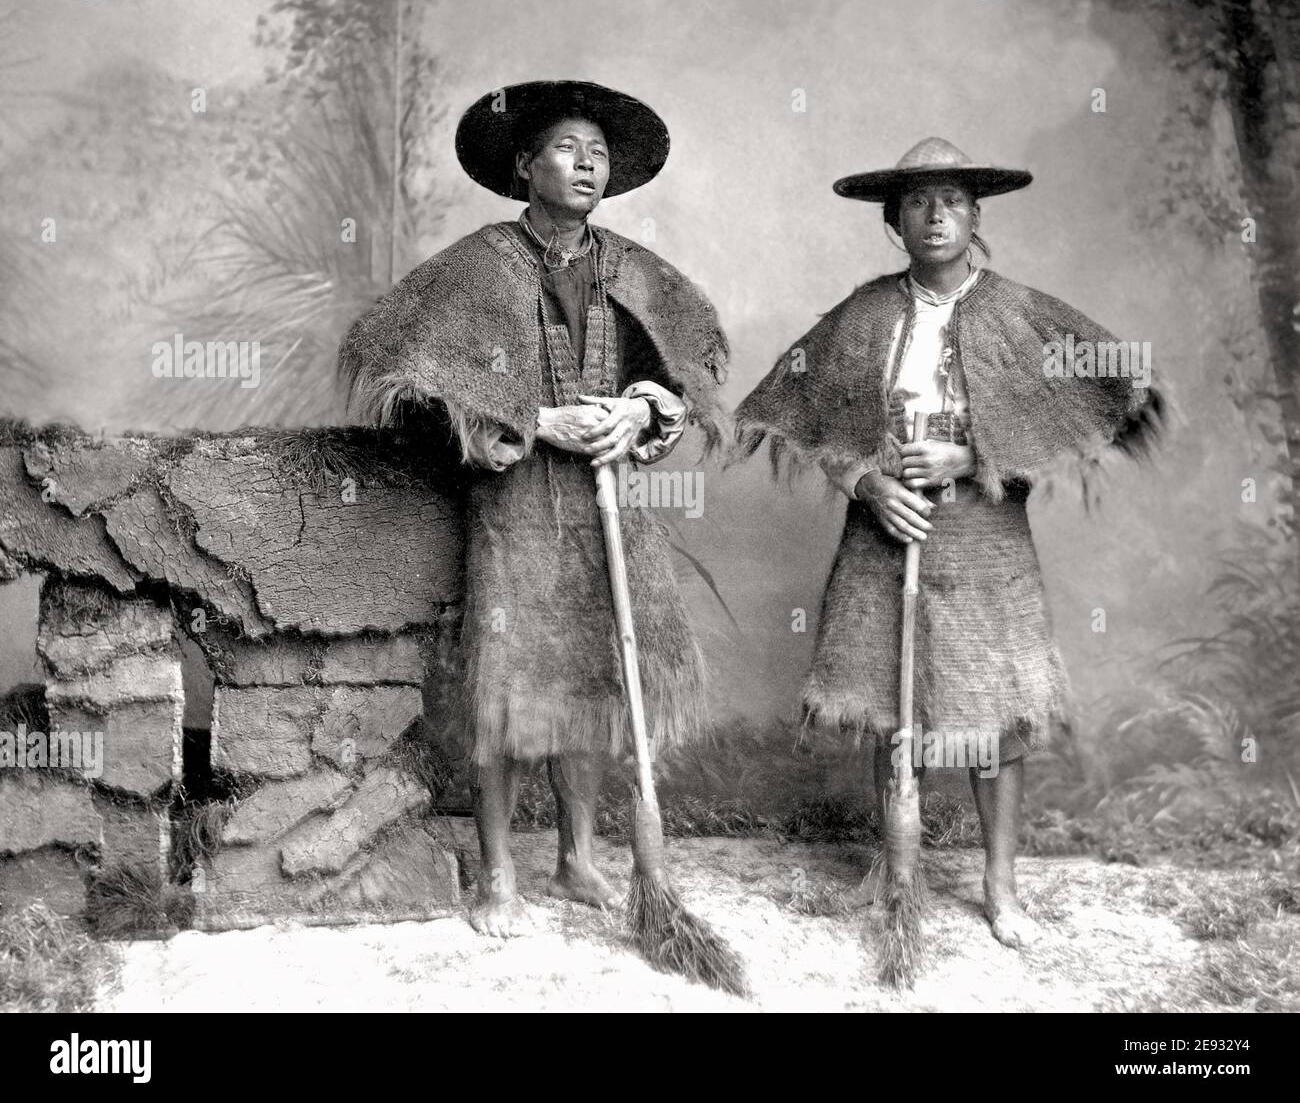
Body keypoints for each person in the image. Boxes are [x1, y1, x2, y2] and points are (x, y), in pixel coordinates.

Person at [735, 137, 1164, 947]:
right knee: (895, 700)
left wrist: (974, 455)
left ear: (976, 215)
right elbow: (798, 414)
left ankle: (1001, 887)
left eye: (954, 201)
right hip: (884, 531)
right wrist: (867, 484)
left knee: (993, 711)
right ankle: (898, 873)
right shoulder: (863, 316)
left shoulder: (1020, 313)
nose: (936, 215)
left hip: (984, 540)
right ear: (893, 221)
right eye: (919, 202)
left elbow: (1106, 403)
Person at [339, 80, 728, 937]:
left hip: (604, 504)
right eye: (565, 148)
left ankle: (578, 856)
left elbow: (686, 370)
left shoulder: (630, 267)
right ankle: (499, 877)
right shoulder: (480, 265)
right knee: (510, 686)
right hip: (512, 502)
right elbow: (415, 380)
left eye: (598, 152)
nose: (586, 164)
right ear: (524, 166)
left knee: (594, 671)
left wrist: (638, 411)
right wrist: (535, 417)